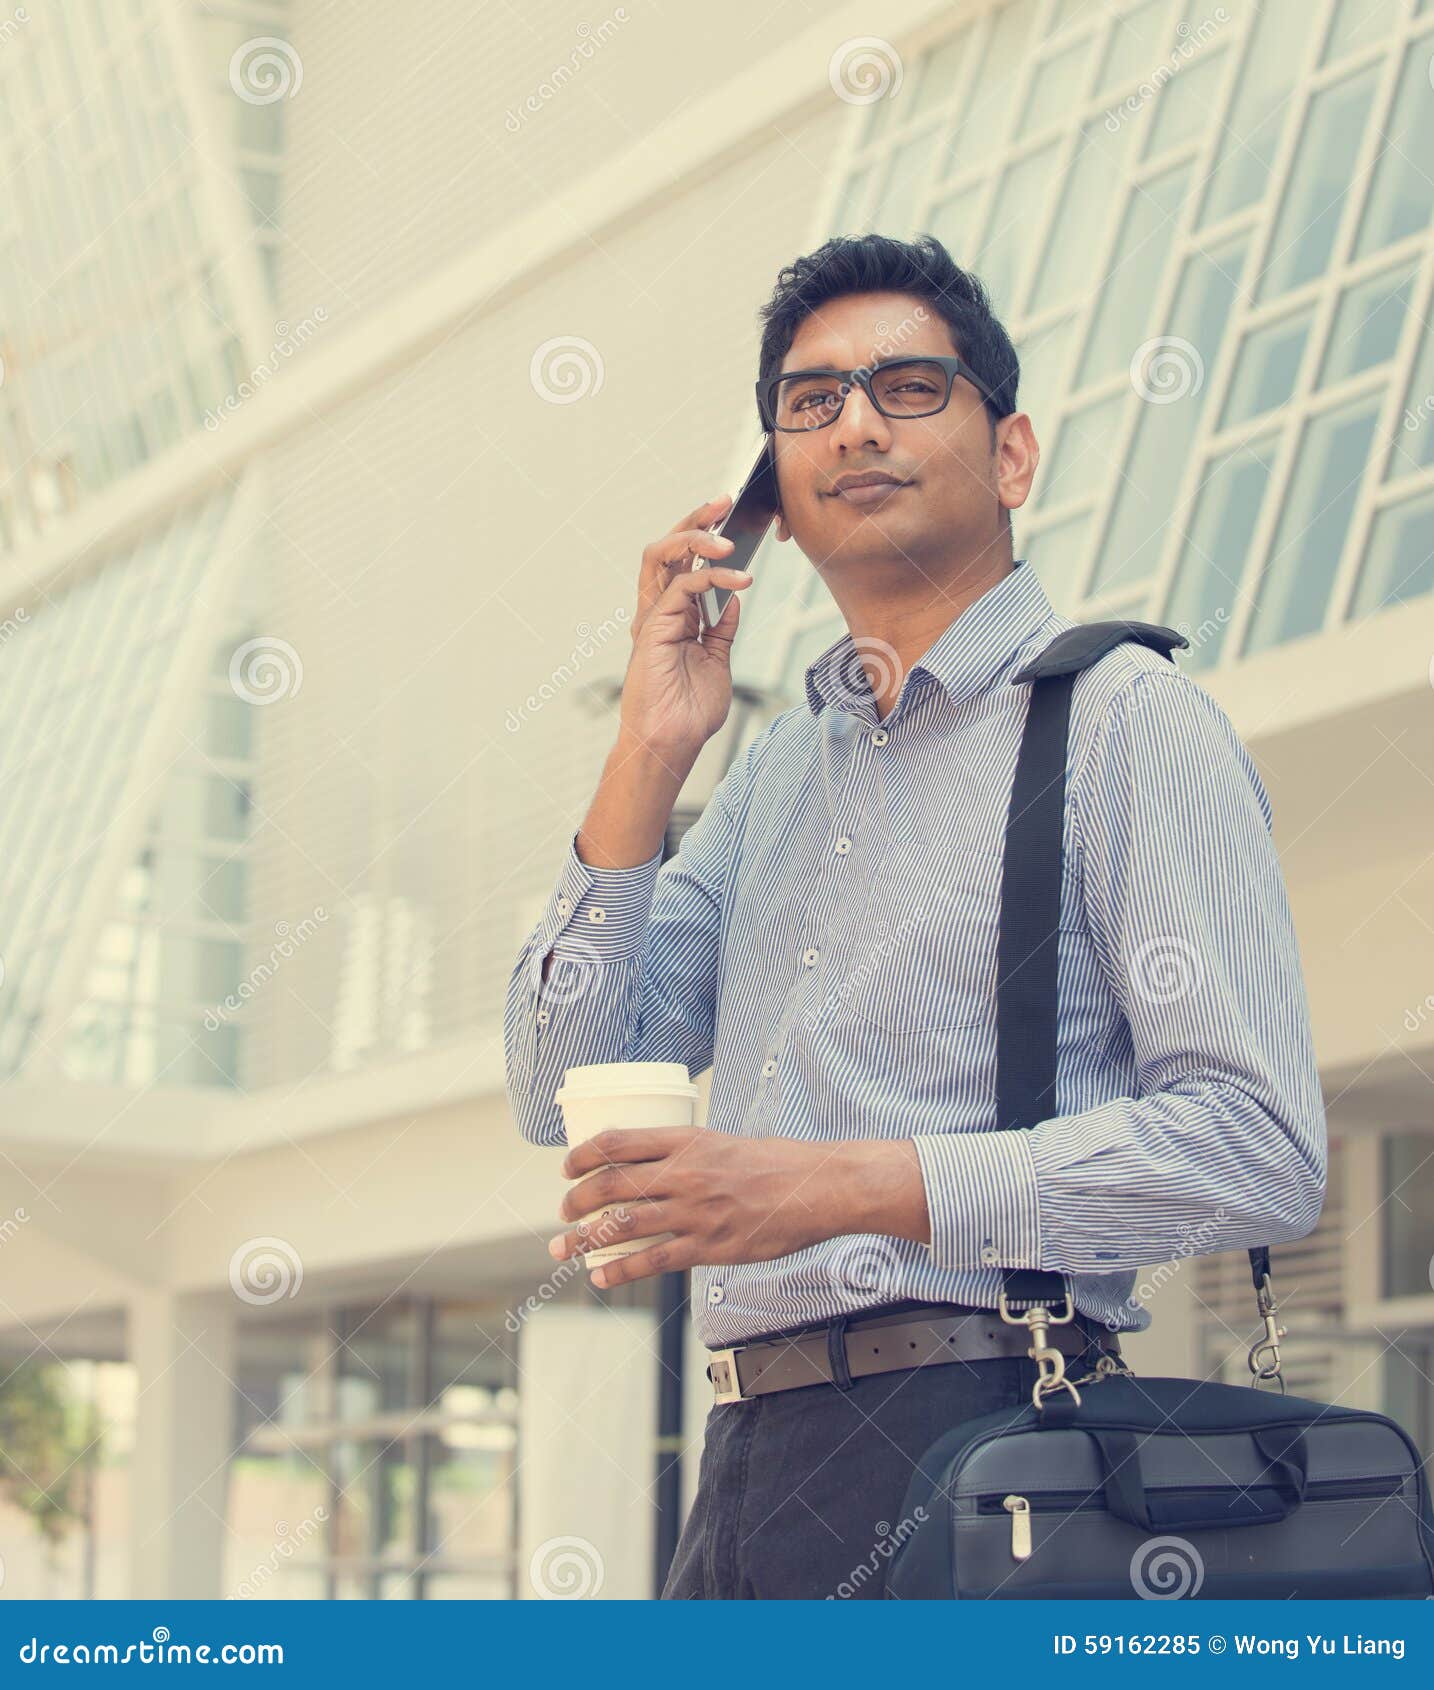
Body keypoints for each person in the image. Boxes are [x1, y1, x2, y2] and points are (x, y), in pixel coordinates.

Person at [502, 232, 1327, 1600]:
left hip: (993, 1444)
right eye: (811, 402)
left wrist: (829, 1186)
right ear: (771, 498)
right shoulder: (776, 771)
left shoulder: (1128, 723)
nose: (855, 425)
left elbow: (1258, 1147)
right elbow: (557, 1088)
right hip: (744, 1460)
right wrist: (649, 748)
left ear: (1012, 456)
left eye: (906, 387)